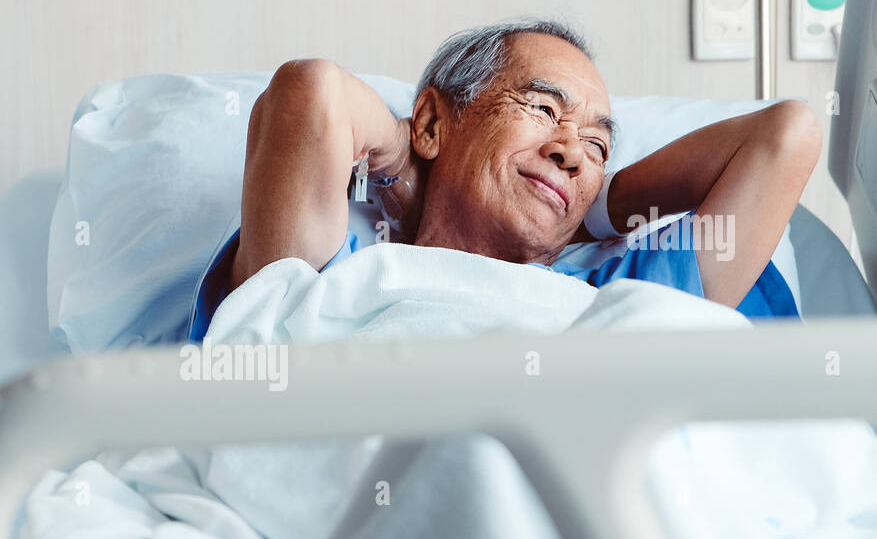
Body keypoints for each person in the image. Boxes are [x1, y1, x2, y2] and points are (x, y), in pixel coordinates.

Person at [189, 19, 820, 341]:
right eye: (544, 109)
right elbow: (311, 90)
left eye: (598, 144)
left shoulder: (622, 290)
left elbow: (786, 136)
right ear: (435, 121)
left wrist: (591, 204)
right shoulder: (338, 260)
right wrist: (408, 164)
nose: (574, 150)